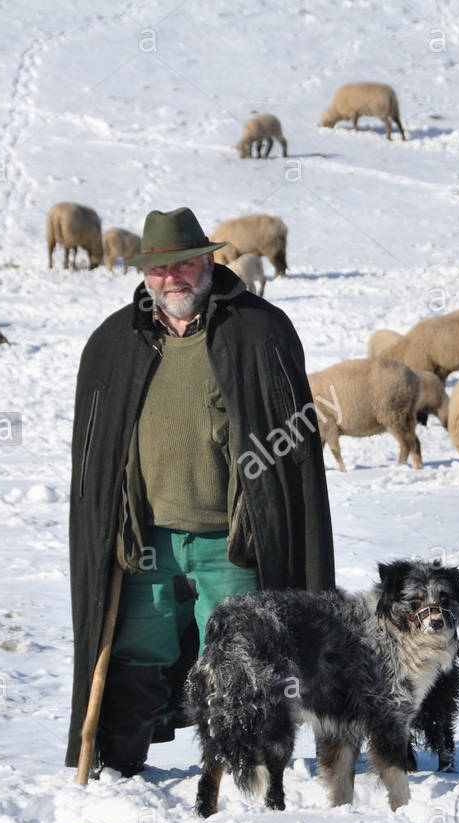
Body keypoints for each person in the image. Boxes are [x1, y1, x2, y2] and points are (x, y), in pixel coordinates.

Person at [64, 207, 335, 776]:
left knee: (243, 658)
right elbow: (96, 452)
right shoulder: (118, 342)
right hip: (144, 539)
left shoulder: (258, 332)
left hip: (230, 538)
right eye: (159, 269)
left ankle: (253, 770)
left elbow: (293, 448)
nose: (172, 278)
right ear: (145, 274)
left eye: (184, 264)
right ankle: (118, 767)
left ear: (209, 260)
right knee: (137, 653)